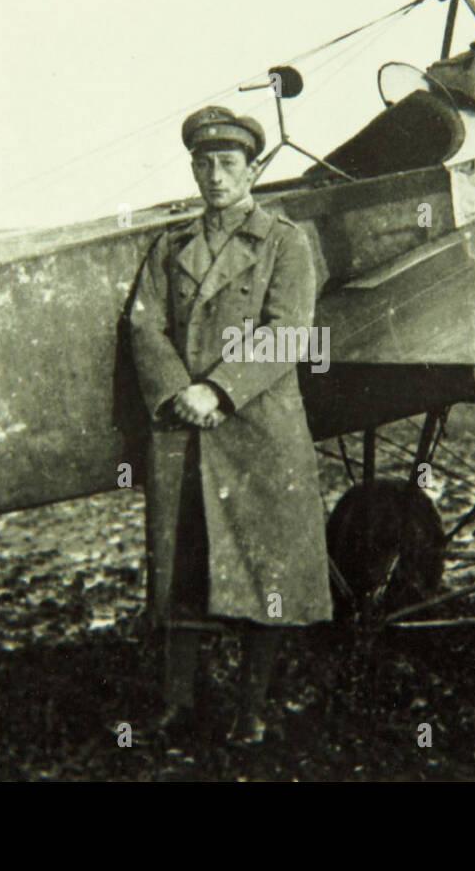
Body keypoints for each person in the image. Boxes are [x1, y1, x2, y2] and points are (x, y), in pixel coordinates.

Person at [128, 105, 332, 745]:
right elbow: (143, 323)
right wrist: (175, 391)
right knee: (184, 569)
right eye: (203, 164)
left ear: (252, 170)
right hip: (184, 431)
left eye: (227, 164)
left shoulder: (284, 242)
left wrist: (217, 389)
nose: (214, 176)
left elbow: (288, 329)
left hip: (256, 425)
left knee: (262, 568)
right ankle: (178, 704)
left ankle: (253, 709)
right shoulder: (170, 246)